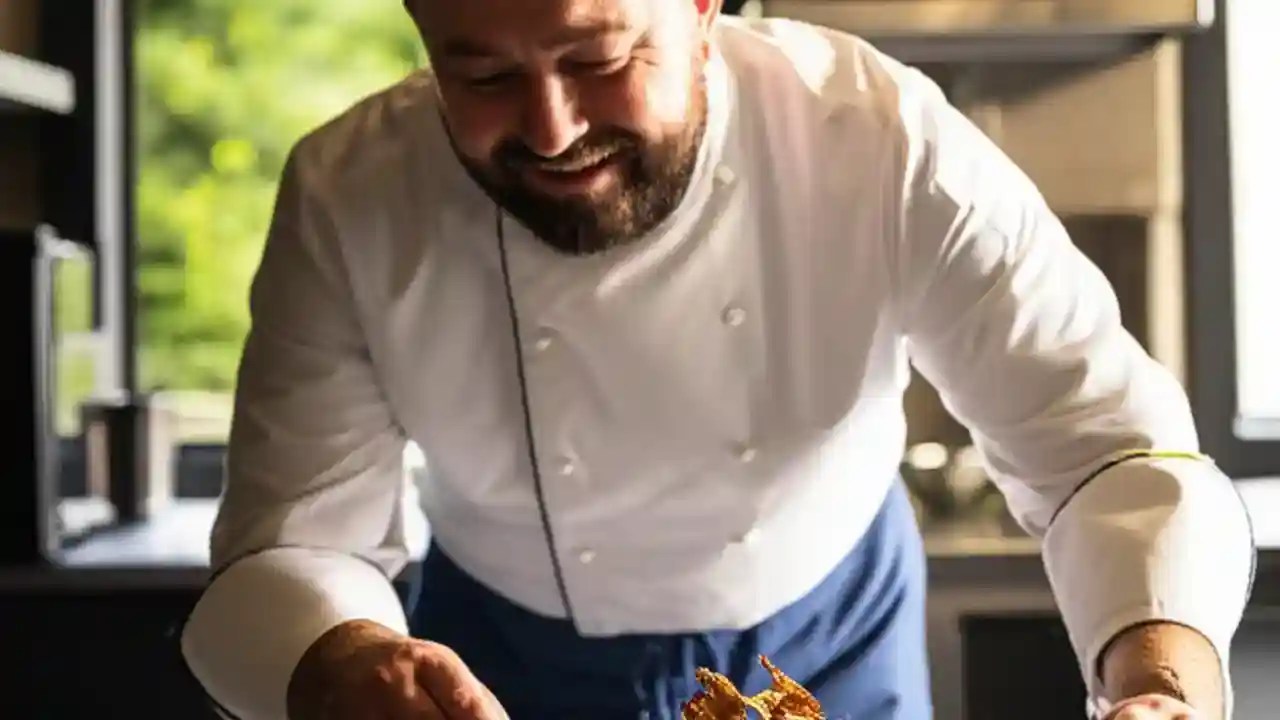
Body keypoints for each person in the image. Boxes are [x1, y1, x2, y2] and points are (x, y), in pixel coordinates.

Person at [179, 1, 1257, 718]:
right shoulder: (347, 196)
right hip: (492, 664)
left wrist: (1157, 680)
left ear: (701, 8)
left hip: (829, 633)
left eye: (599, 60)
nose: (551, 130)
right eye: (483, 74)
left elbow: (1100, 451)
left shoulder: (879, 140)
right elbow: (289, 541)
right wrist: (341, 661)